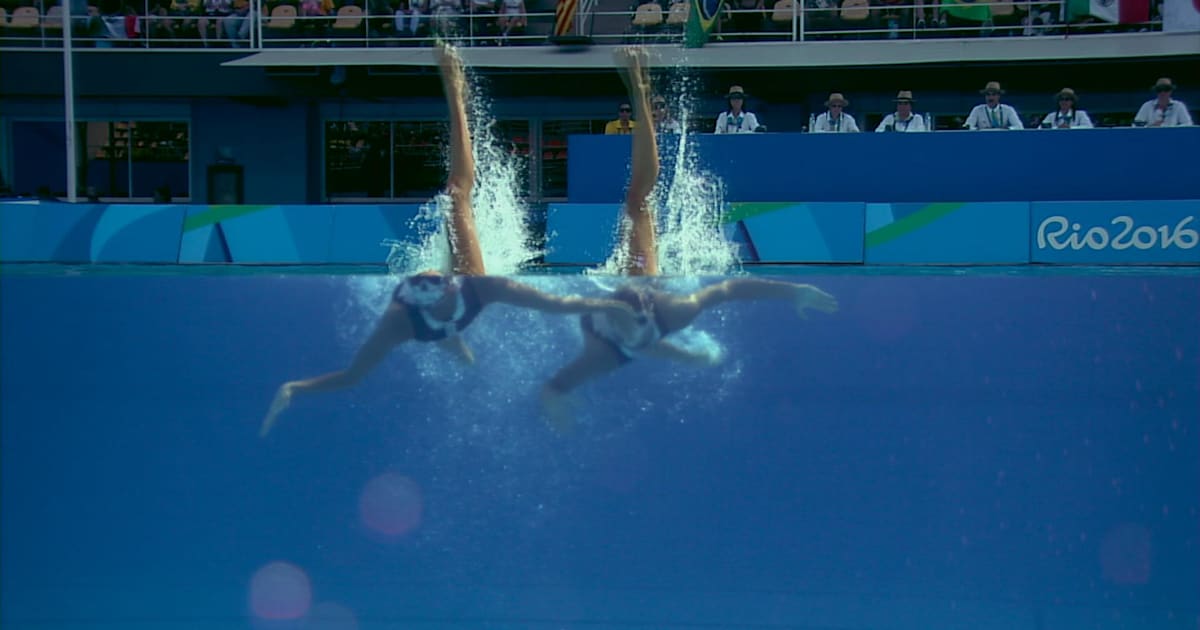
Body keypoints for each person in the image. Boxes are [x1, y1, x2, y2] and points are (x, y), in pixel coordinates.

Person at [261, 43, 634, 438]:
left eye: (431, 277)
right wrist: (293, 388)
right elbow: (352, 375)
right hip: (449, 322)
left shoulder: (444, 302)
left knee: (457, 194)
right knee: (463, 340)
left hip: (449, 321)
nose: (433, 273)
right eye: (431, 281)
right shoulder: (410, 319)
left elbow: (559, 301)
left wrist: (608, 303)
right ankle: (455, 85)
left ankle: (453, 87)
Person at [539, 48, 839, 432]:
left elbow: (555, 383)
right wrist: (793, 291)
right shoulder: (675, 309)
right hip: (645, 278)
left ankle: (639, 90)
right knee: (638, 200)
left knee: (636, 203)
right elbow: (730, 290)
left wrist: (556, 402)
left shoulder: (602, 349)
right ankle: (640, 90)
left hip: (629, 284)